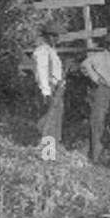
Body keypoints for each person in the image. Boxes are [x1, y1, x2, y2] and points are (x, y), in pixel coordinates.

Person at [82, 29, 110, 164]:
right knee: (98, 121)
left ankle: (100, 154)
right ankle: (94, 157)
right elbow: (85, 64)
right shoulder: (100, 56)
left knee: (105, 121)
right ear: (109, 45)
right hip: (101, 90)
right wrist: (95, 78)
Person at [34, 22, 65, 150]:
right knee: (49, 119)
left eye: (57, 36)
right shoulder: (41, 51)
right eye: (54, 36)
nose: (56, 38)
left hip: (57, 88)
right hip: (50, 89)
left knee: (56, 117)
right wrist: (46, 92)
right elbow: (41, 72)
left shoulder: (52, 51)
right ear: (47, 36)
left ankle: (54, 146)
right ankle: (46, 150)